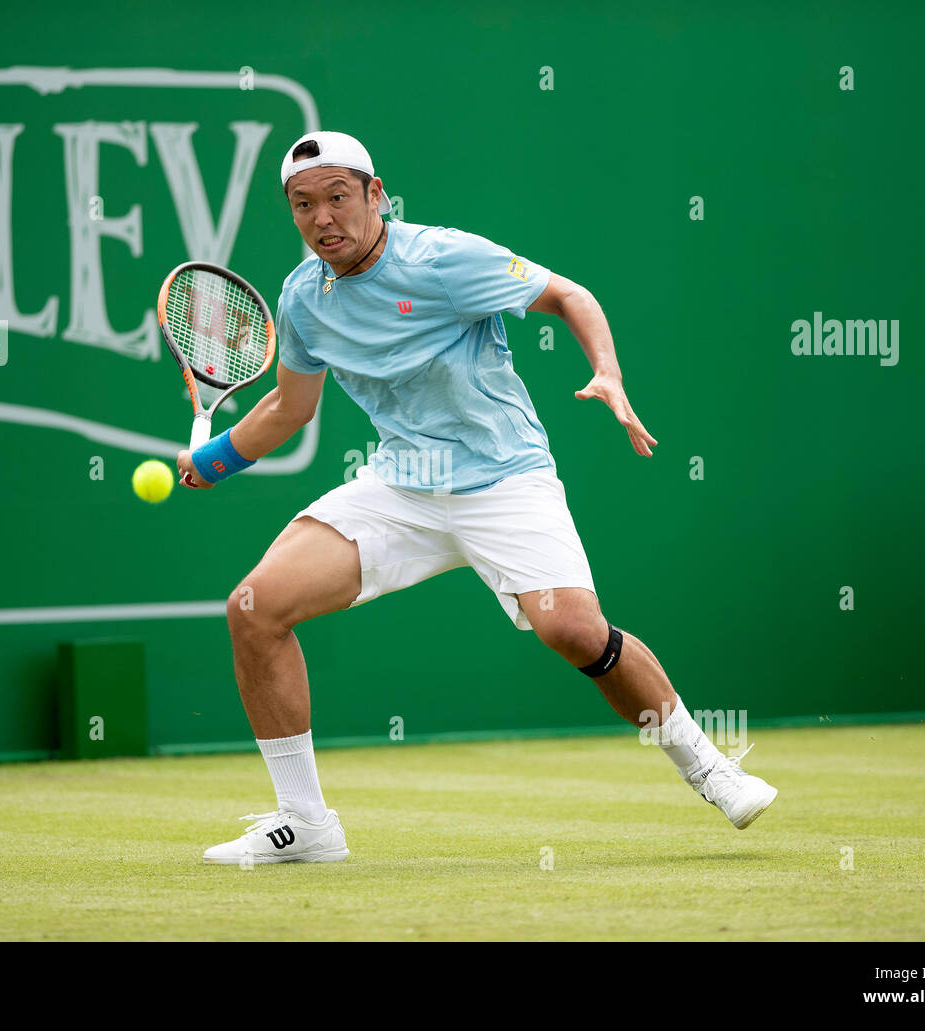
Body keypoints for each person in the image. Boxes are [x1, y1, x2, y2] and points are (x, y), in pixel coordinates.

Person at [178, 131, 777, 864]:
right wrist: (213, 460)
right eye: (303, 205)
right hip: (402, 485)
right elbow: (288, 407)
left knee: (574, 631)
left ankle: (711, 768)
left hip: (505, 481)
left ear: (375, 194)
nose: (322, 218)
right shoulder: (304, 297)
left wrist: (608, 372)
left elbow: (568, 295)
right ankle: (305, 823)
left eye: (338, 197)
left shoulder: (444, 258)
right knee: (254, 608)